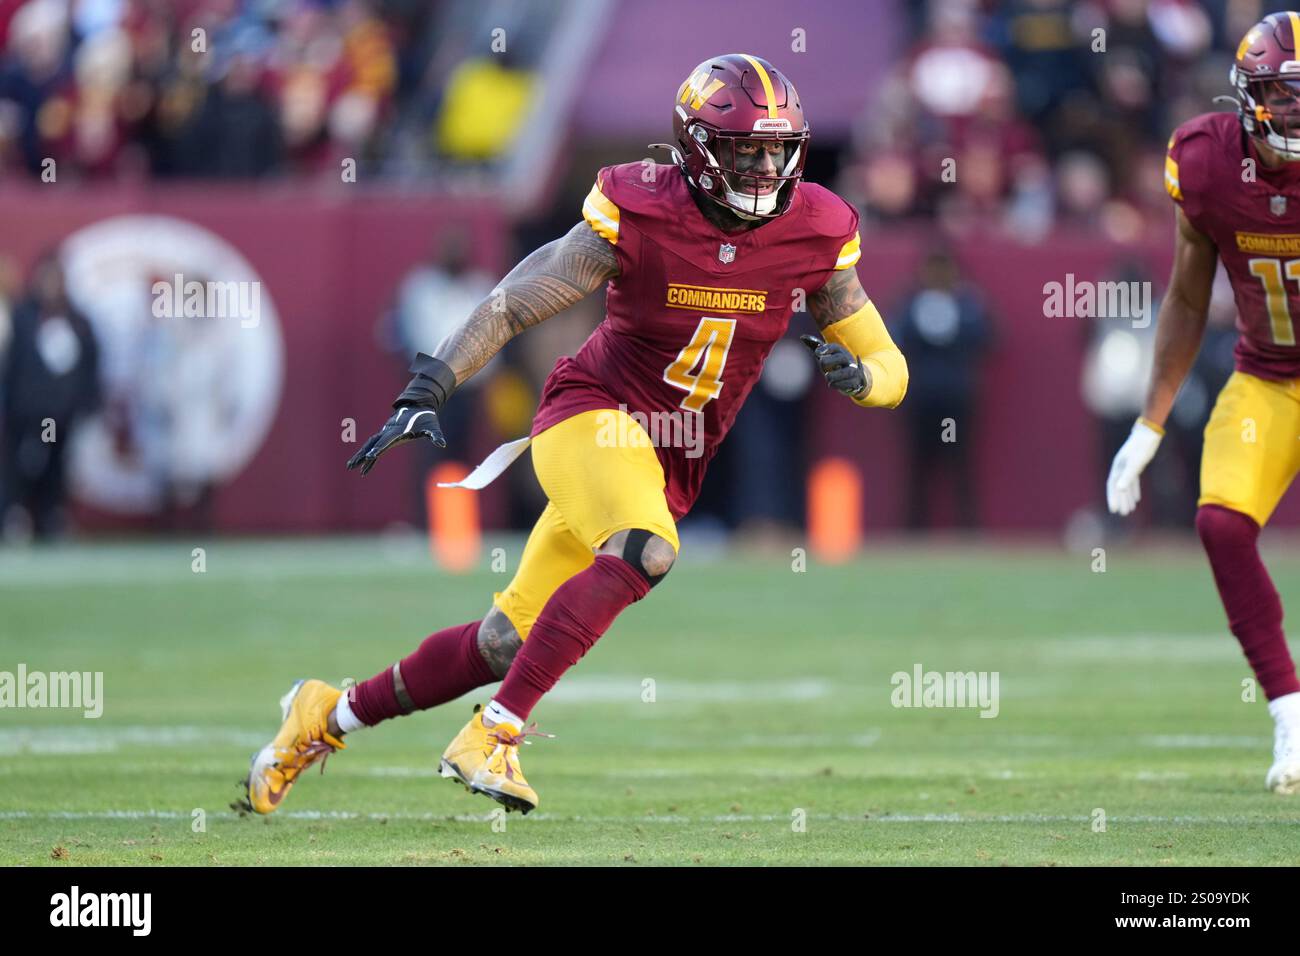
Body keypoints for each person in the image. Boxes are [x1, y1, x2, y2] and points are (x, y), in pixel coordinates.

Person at [238, 54, 908, 816]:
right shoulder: (641, 207)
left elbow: (890, 364)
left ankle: (324, 716)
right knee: (645, 547)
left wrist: (864, 379)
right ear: (695, 147)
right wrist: (433, 383)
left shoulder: (817, 229)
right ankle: (496, 732)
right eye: (742, 148)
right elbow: (517, 300)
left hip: (666, 457)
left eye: (775, 149)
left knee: (502, 641)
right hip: (591, 415)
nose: (761, 166)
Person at [1107, 12, 1300, 794]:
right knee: (1221, 522)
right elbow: (1188, 297)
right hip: (1269, 378)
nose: (1296, 114)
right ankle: (1291, 715)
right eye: (1284, 98)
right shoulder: (1207, 163)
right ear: (1249, 100)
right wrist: (1151, 422)